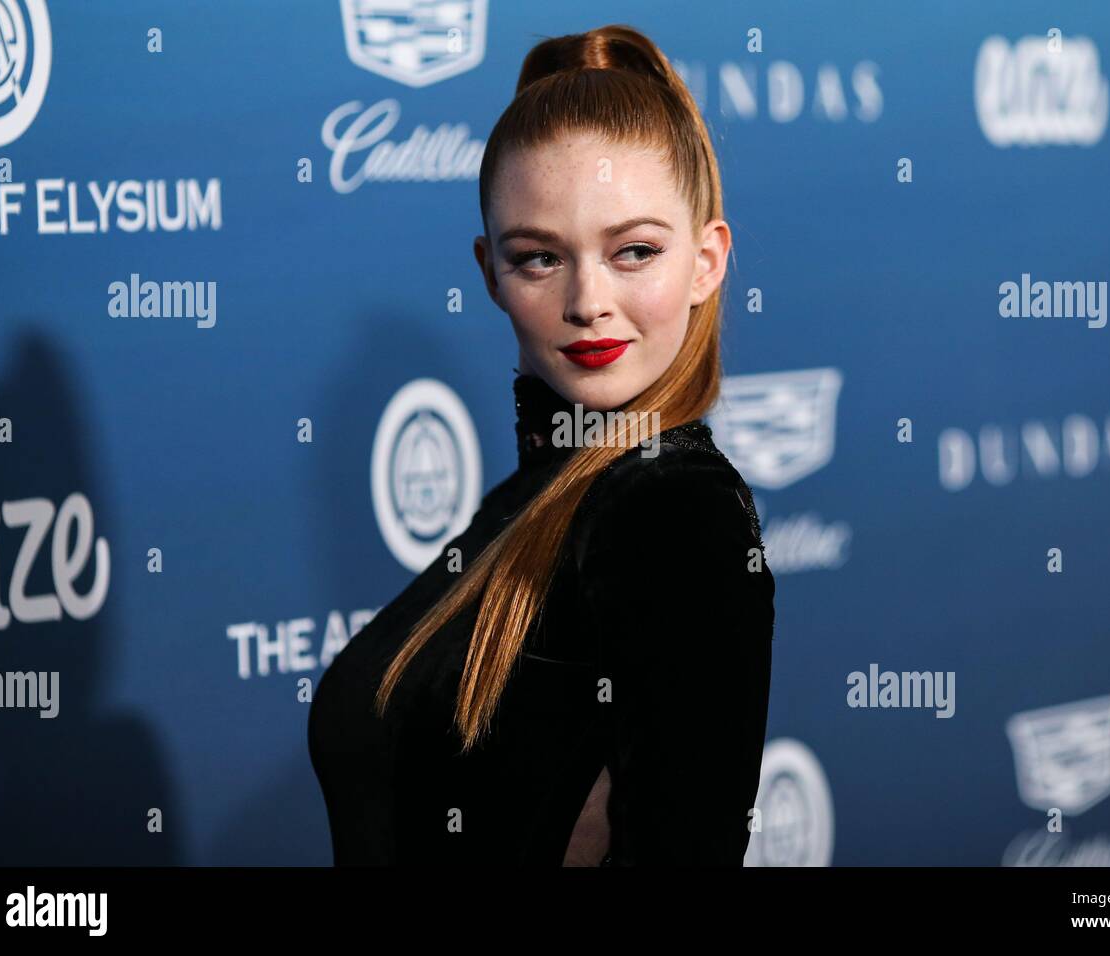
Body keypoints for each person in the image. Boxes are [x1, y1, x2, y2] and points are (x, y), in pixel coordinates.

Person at [307, 23, 775, 866]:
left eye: (635, 251)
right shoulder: (532, 501)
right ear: (489, 271)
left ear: (706, 261)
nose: (588, 300)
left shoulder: (673, 510)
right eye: (539, 259)